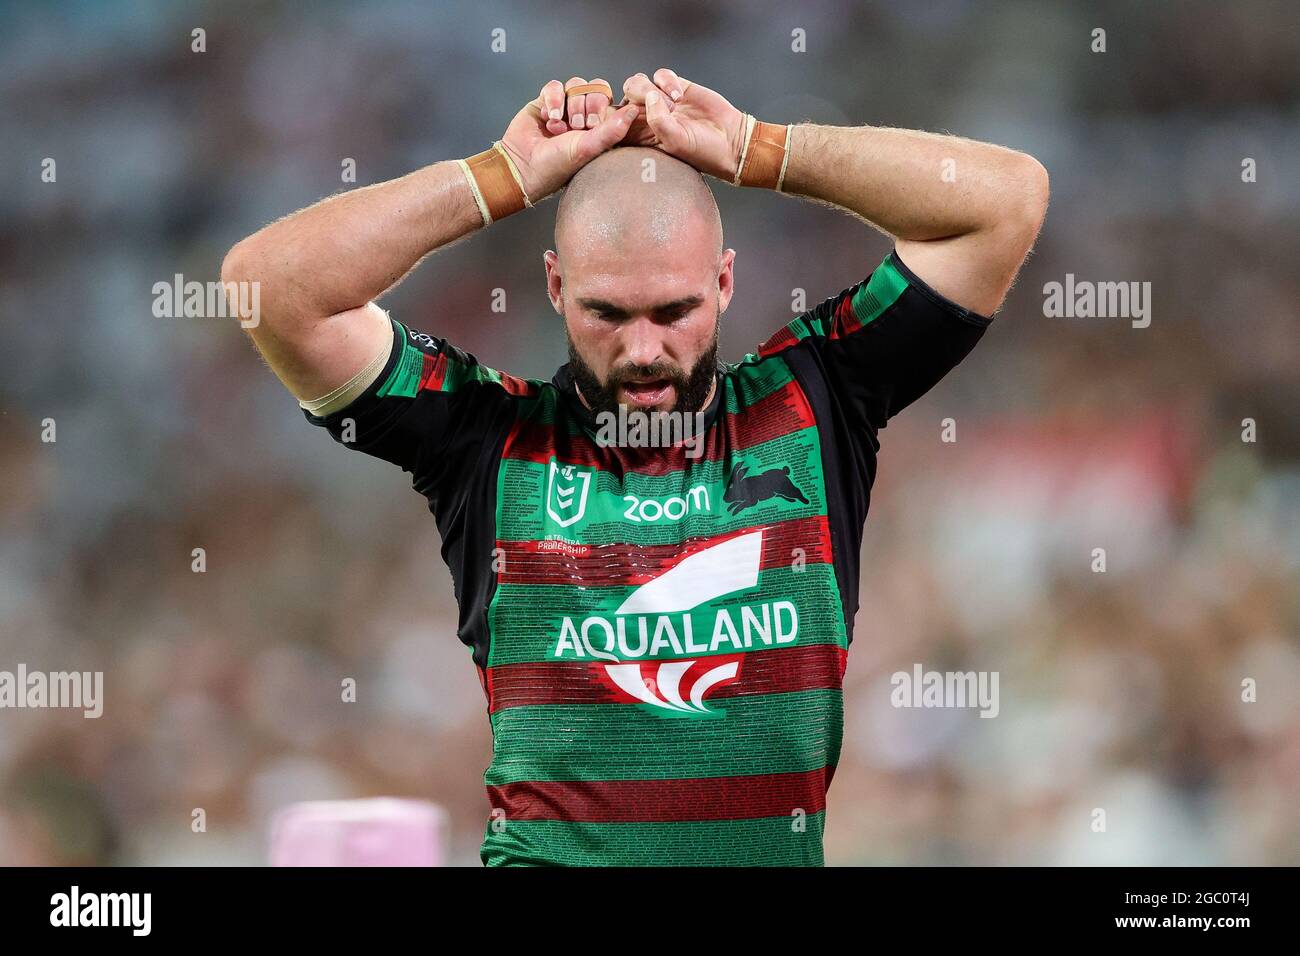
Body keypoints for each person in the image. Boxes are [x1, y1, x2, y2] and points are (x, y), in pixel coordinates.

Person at [221, 69, 1049, 866]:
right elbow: (268, 287)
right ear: (554, 286)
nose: (644, 351)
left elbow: (1003, 201)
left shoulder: (815, 397)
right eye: (606, 313)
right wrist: (499, 178)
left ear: (725, 283)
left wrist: (761, 151)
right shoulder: (485, 439)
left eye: (675, 310)